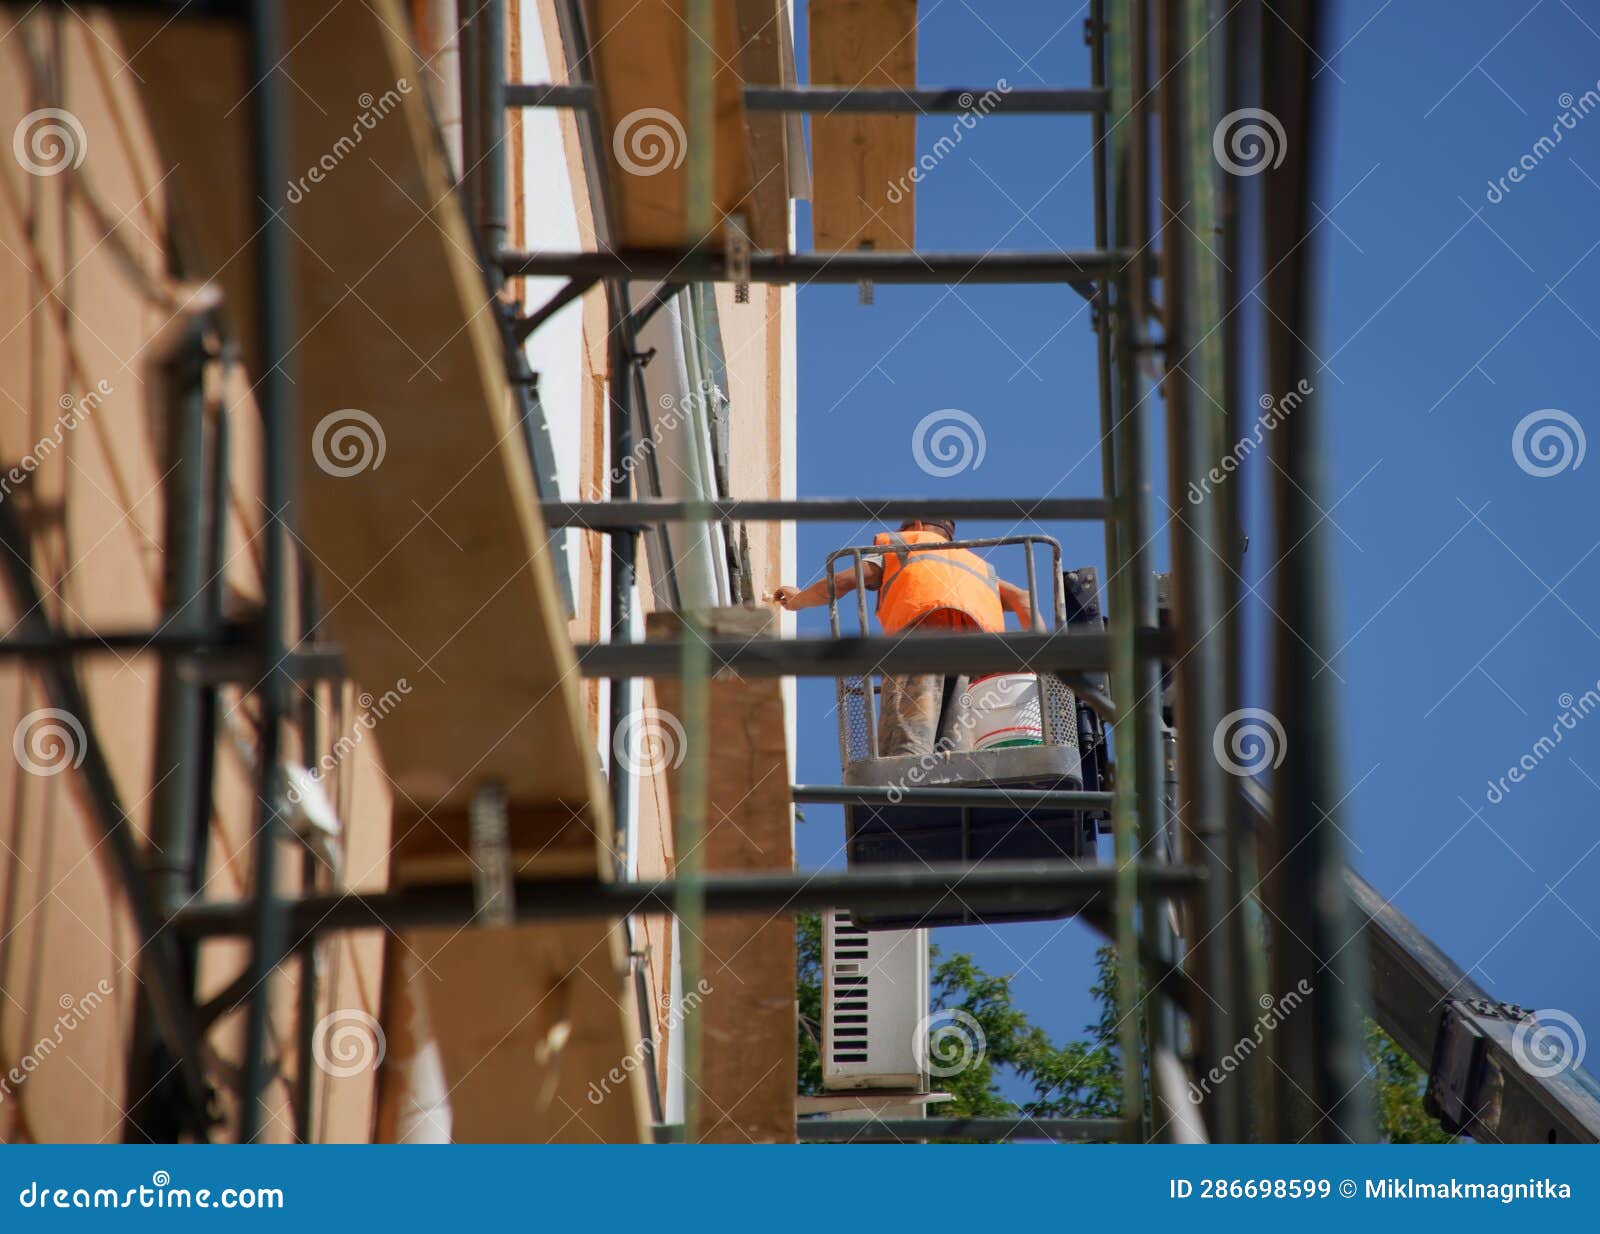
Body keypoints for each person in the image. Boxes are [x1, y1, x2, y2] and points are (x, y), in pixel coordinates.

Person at [772, 517, 1042, 758]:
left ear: (917, 525)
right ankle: (957, 793)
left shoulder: (902, 546)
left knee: (909, 745)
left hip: (918, 649)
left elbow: (843, 582)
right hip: (974, 668)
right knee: (959, 751)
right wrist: (1045, 663)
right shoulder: (977, 567)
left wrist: (799, 600)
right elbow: (1024, 599)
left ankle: (905, 790)